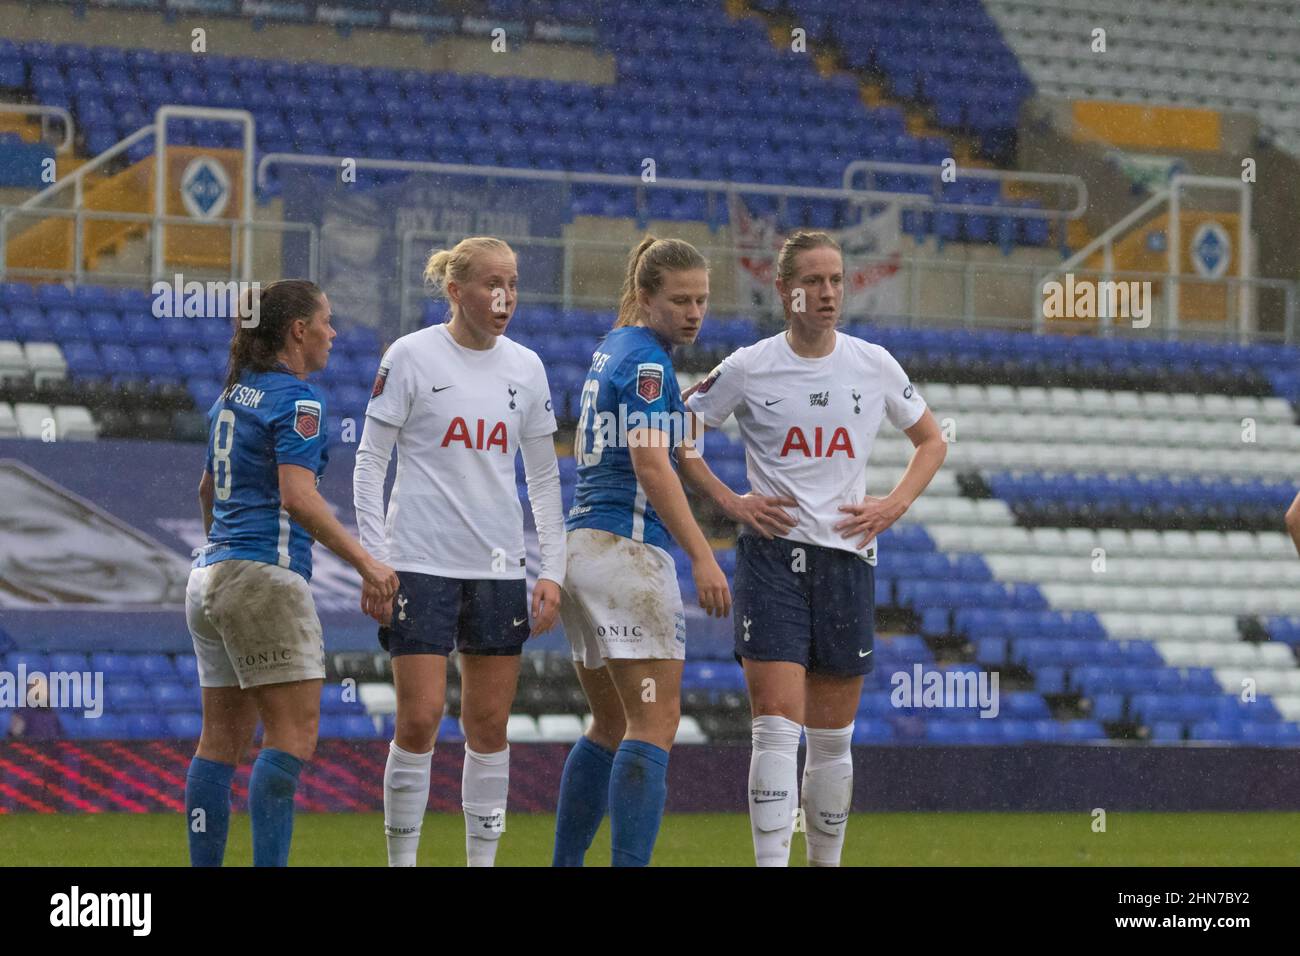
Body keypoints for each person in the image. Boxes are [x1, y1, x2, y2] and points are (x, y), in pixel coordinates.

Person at [685, 231, 947, 867]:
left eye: (835, 280)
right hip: (773, 559)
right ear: (784, 291)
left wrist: (892, 505)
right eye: (813, 281)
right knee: (775, 725)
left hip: (846, 562)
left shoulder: (873, 363)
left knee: (833, 740)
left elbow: (932, 441)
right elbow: (678, 434)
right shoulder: (749, 366)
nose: (828, 292)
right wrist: (731, 501)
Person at [552, 235, 792, 868]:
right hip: (628, 553)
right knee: (654, 724)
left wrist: (732, 503)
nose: (694, 312)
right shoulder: (652, 365)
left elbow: (680, 450)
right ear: (644, 296)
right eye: (680, 300)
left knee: (608, 726)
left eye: (702, 300)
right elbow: (653, 464)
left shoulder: (615, 351)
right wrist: (702, 554)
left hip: (581, 549)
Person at [353, 237, 565, 868]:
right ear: (455, 290)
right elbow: (370, 461)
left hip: (498, 569)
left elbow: (545, 477)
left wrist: (552, 567)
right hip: (419, 562)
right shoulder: (411, 356)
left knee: (488, 727)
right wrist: (375, 556)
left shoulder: (527, 367)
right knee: (419, 720)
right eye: (490, 283)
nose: (505, 297)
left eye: (514, 283)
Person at [184, 280, 399, 867]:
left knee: (219, 743)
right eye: (326, 321)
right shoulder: (298, 400)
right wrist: (367, 564)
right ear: (298, 330)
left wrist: (224, 554)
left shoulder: (232, 396)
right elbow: (298, 499)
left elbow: (207, 489)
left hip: (208, 575)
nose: (334, 332)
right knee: (291, 739)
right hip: (264, 575)